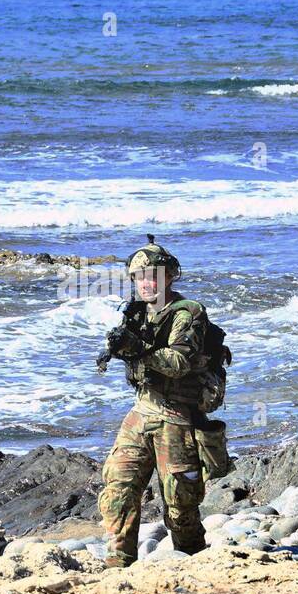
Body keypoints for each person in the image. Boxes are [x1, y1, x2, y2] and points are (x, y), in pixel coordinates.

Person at [97, 237, 212, 567]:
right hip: (142, 409)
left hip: (176, 416)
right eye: (140, 277)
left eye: (154, 275)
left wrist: (138, 349)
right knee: (118, 490)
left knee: (180, 507)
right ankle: (118, 569)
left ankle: (193, 563)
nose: (146, 282)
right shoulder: (137, 313)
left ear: (169, 277)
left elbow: (179, 363)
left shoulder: (188, 313)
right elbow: (133, 356)